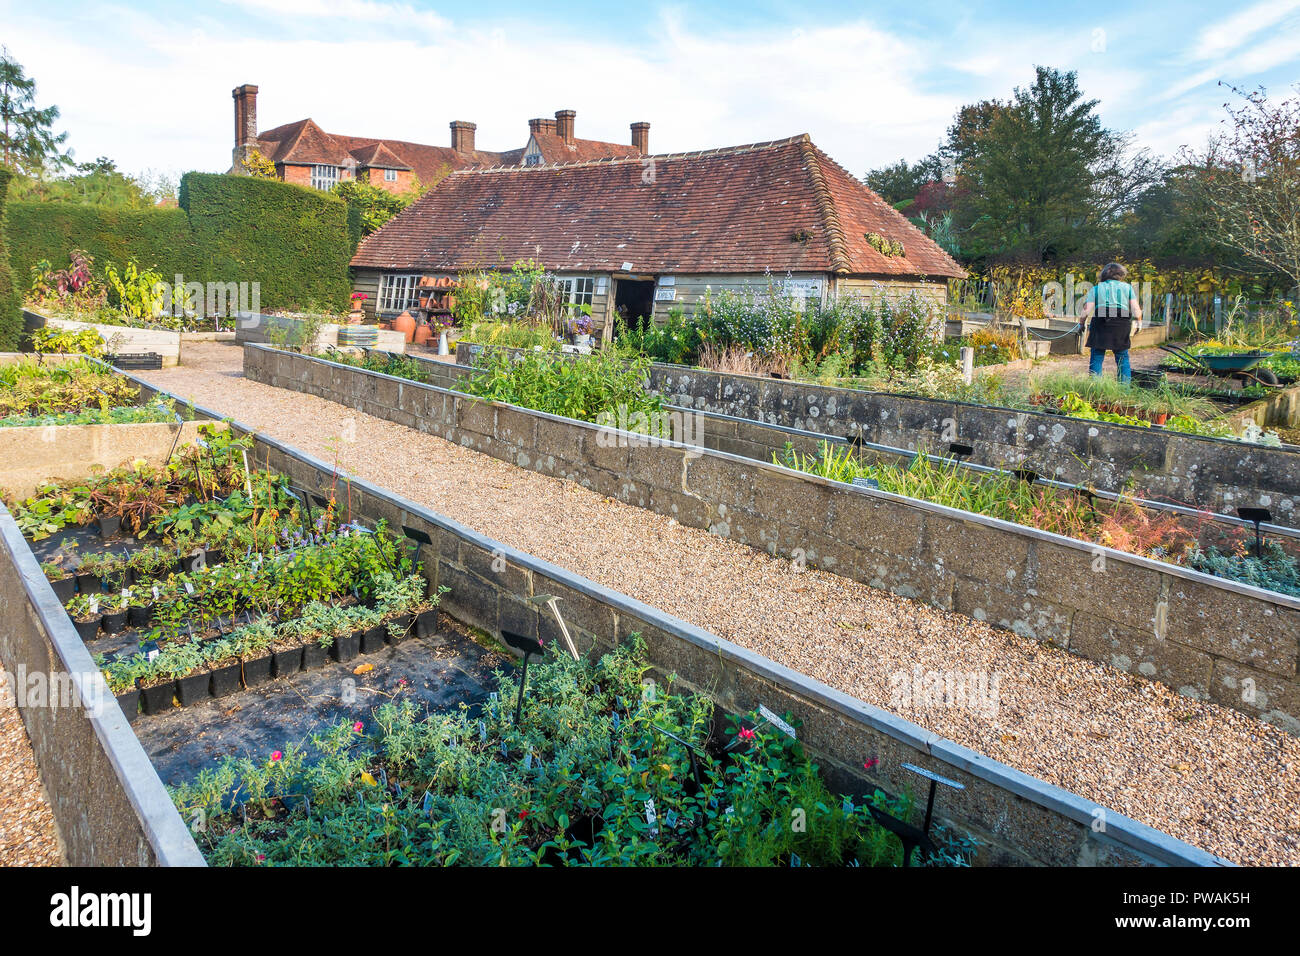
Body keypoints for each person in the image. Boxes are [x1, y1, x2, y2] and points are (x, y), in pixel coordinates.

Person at [1081, 262, 1141, 382]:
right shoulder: (1127, 288)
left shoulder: (1097, 288)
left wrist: (1081, 324)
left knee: (1097, 355)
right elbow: (1136, 309)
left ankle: (1095, 388)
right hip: (1121, 322)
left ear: (1104, 274)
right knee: (1122, 357)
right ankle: (1124, 390)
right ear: (1121, 274)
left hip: (1101, 321)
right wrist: (1139, 323)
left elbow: (1086, 310)